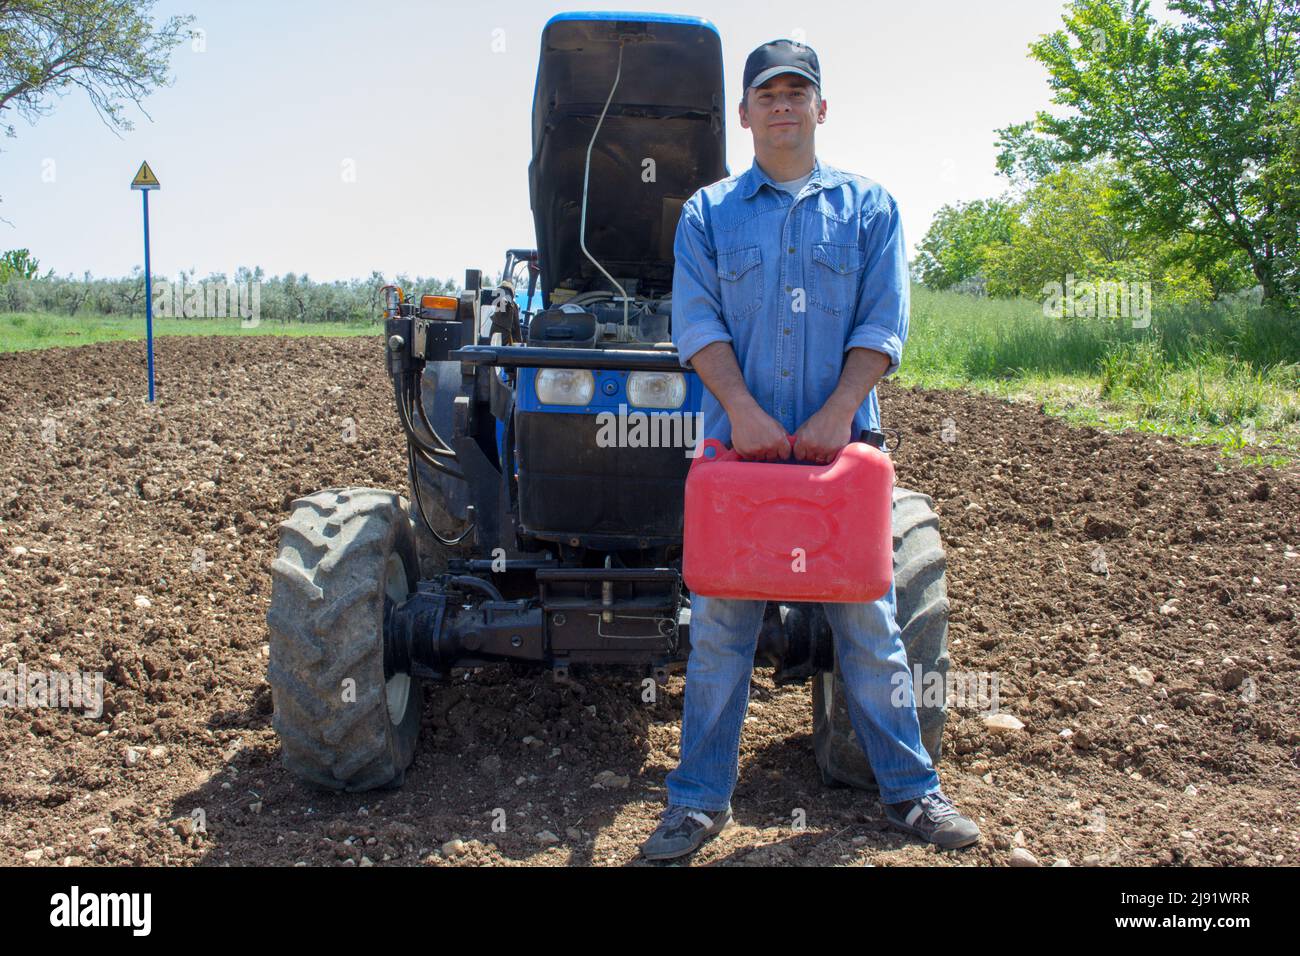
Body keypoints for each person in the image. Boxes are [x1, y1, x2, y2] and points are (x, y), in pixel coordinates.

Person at [641, 38, 981, 861]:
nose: (784, 106)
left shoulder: (870, 209)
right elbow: (698, 326)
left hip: (842, 456)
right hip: (739, 454)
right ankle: (695, 804)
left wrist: (834, 413)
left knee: (868, 623)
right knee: (721, 626)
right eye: (768, 94)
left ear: (821, 109)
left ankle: (912, 793)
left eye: (799, 93)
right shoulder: (708, 214)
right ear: (746, 113)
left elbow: (881, 324)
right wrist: (744, 411)